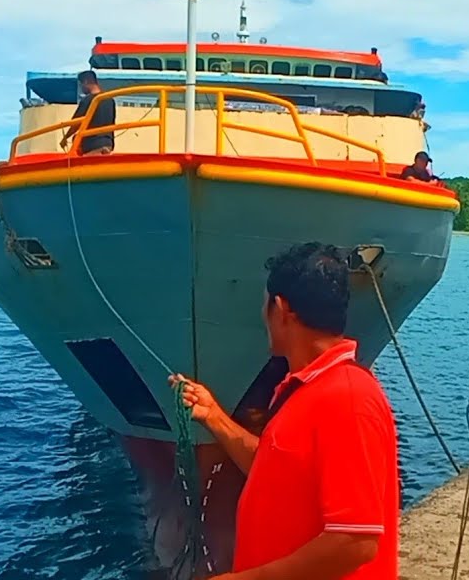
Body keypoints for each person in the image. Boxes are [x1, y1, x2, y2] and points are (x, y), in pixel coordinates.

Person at [169, 243, 399, 580]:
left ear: (281, 308)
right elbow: (272, 469)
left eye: (264, 304)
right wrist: (213, 416)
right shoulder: (306, 387)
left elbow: (354, 542)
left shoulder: (347, 398)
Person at [60, 70, 117, 155]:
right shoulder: (110, 100)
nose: (81, 88)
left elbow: (76, 123)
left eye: (81, 84)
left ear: (86, 82)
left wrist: (65, 138)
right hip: (108, 144)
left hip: (92, 146)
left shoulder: (87, 100)